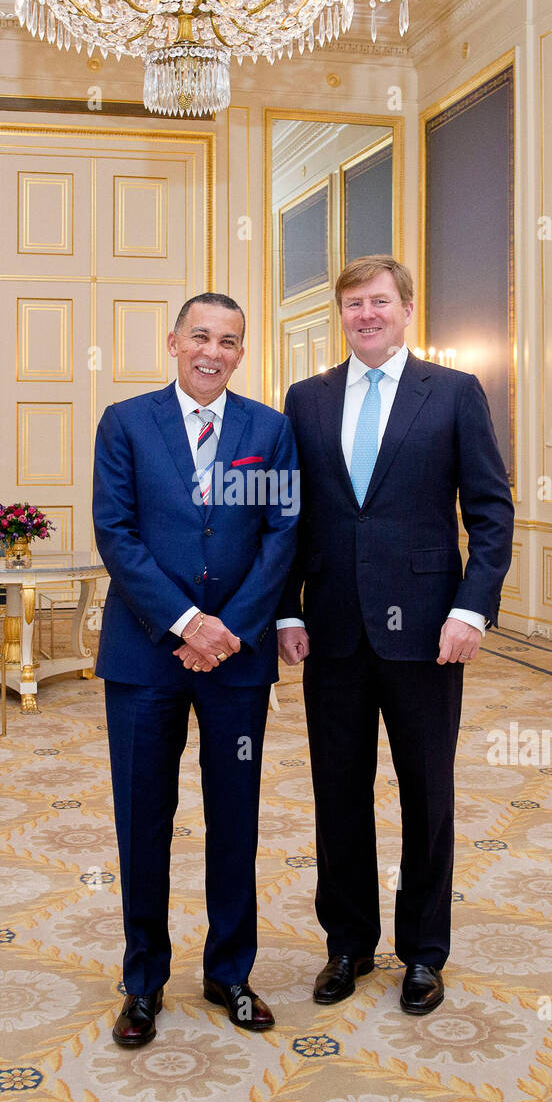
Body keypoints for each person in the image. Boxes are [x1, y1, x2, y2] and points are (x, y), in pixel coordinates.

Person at [277, 255, 514, 1016]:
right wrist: (287, 609)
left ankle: (424, 954)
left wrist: (472, 610)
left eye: (380, 301)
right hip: (334, 632)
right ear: (340, 315)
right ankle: (346, 944)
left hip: (428, 633)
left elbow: (491, 511)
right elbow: (289, 516)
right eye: (353, 304)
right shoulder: (305, 399)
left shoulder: (452, 393)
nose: (366, 314)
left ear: (408, 309)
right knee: (337, 795)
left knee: (428, 797)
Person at [93, 292, 300, 1046]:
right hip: (145, 655)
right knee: (143, 819)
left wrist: (228, 632)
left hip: (236, 663)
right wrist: (186, 625)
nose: (214, 351)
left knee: (234, 816)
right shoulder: (126, 423)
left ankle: (229, 974)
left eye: (230, 341)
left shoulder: (268, 430)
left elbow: (282, 536)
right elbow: (115, 532)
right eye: (201, 336)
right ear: (174, 340)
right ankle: (142, 982)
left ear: (243, 352)